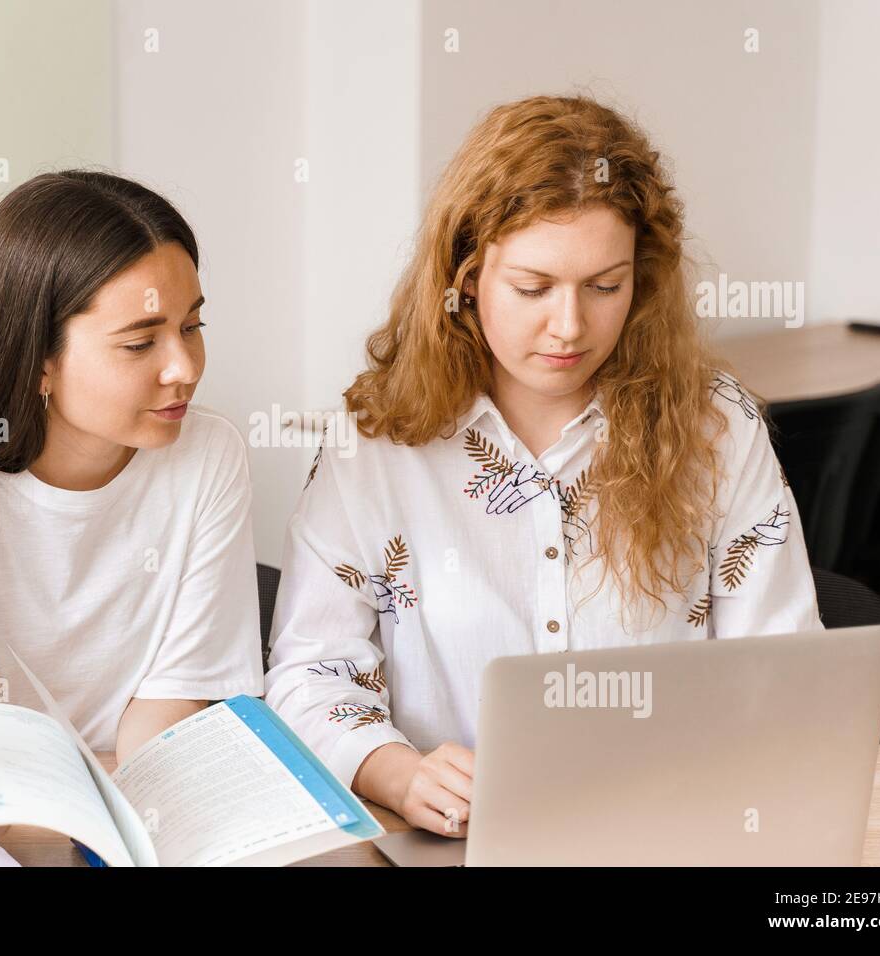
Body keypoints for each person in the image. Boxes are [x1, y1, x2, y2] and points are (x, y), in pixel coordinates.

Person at [263, 95, 820, 838]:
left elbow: (782, 670)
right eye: (532, 289)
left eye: (605, 286)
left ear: (642, 282)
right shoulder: (376, 443)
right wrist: (398, 774)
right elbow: (308, 673)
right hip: (454, 842)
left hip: (671, 831)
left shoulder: (716, 428)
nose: (569, 327)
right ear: (465, 278)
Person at [0, 171, 264, 848]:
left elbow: (167, 703)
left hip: (116, 808)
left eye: (192, 325)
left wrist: (131, 830)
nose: (184, 366)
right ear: (37, 360)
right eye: (140, 342)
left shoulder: (209, 455)